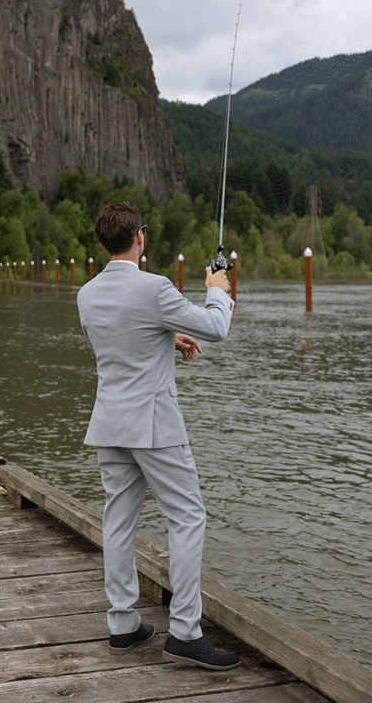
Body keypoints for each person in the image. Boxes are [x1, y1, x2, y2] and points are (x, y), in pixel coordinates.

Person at [76, 202, 240, 670]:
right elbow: (217, 328)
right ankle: (186, 632)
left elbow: (115, 344)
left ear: (103, 243)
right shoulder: (155, 287)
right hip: (152, 423)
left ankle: (123, 622)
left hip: (109, 422)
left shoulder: (86, 294)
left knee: (119, 519)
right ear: (140, 238)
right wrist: (217, 289)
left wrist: (168, 338)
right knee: (188, 517)